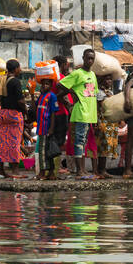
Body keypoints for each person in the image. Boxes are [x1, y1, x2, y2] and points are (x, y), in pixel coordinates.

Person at [58, 49, 99, 179]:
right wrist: (73, 92)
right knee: (79, 141)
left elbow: (94, 94)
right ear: (83, 58)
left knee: (84, 142)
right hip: (81, 112)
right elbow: (61, 84)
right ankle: (79, 171)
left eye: (92, 58)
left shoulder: (92, 75)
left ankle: (82, 170)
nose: (90, 61)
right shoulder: (77, 73)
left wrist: (96, 115)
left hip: (90, 114)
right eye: (88, 58)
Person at [35, 68, 62, 179]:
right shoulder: (41, 96)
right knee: (45, 151)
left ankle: (44, 172)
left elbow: (53, 114)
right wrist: (32, 94)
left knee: (44, 151)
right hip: (40, 128)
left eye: (47, 84)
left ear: (51, 85)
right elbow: (34, 107)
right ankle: (49, 173)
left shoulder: (52, 96)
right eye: (43, 84)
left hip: (46, 128)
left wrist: (51, 128)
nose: (44, 86)